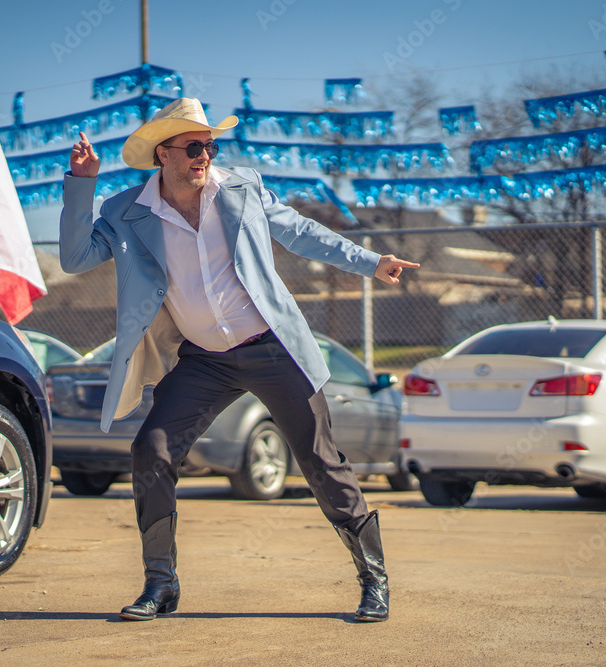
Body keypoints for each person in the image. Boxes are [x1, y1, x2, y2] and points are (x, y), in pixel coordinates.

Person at [60, 98, 419, 623]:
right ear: (164, 154)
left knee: (321, 461)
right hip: (204, 359)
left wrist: (371, 262)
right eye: (193, 146)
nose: (205, 154)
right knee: (150, 450)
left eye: (210, 145)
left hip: (272, 347)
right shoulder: (125, 211)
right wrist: (81, 185)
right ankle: (161, 584)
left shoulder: (242, 188)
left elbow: (300, 232)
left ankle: (374, 581)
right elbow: (73, 258)